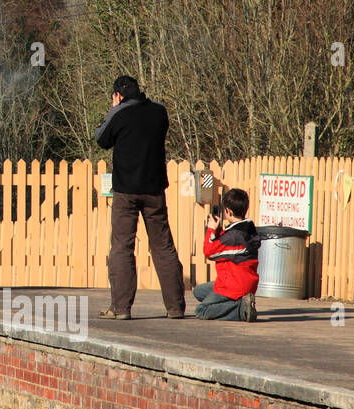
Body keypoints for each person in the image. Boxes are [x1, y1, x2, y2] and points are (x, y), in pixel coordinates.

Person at [94, 75, 185, 319]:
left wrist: (113, 109)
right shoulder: (159, 112)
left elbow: (101, 139)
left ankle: (121, 308)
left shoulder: (119, 112)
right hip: (155, 189)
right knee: (163, 246)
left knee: (122, 246)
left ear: (118, 95)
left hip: (126, 191)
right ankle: (175, 306)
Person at [195, 187, 260, 322]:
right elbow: (225, 247)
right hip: (243, 280)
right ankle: (240, 302)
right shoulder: (246, 230)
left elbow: (209, 252)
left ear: (228, 211)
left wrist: (211, 230)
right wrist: (218, 231)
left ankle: (241, 309)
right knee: (198, 292)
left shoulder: (233, 237)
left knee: (202, 310)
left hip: (234, 284)